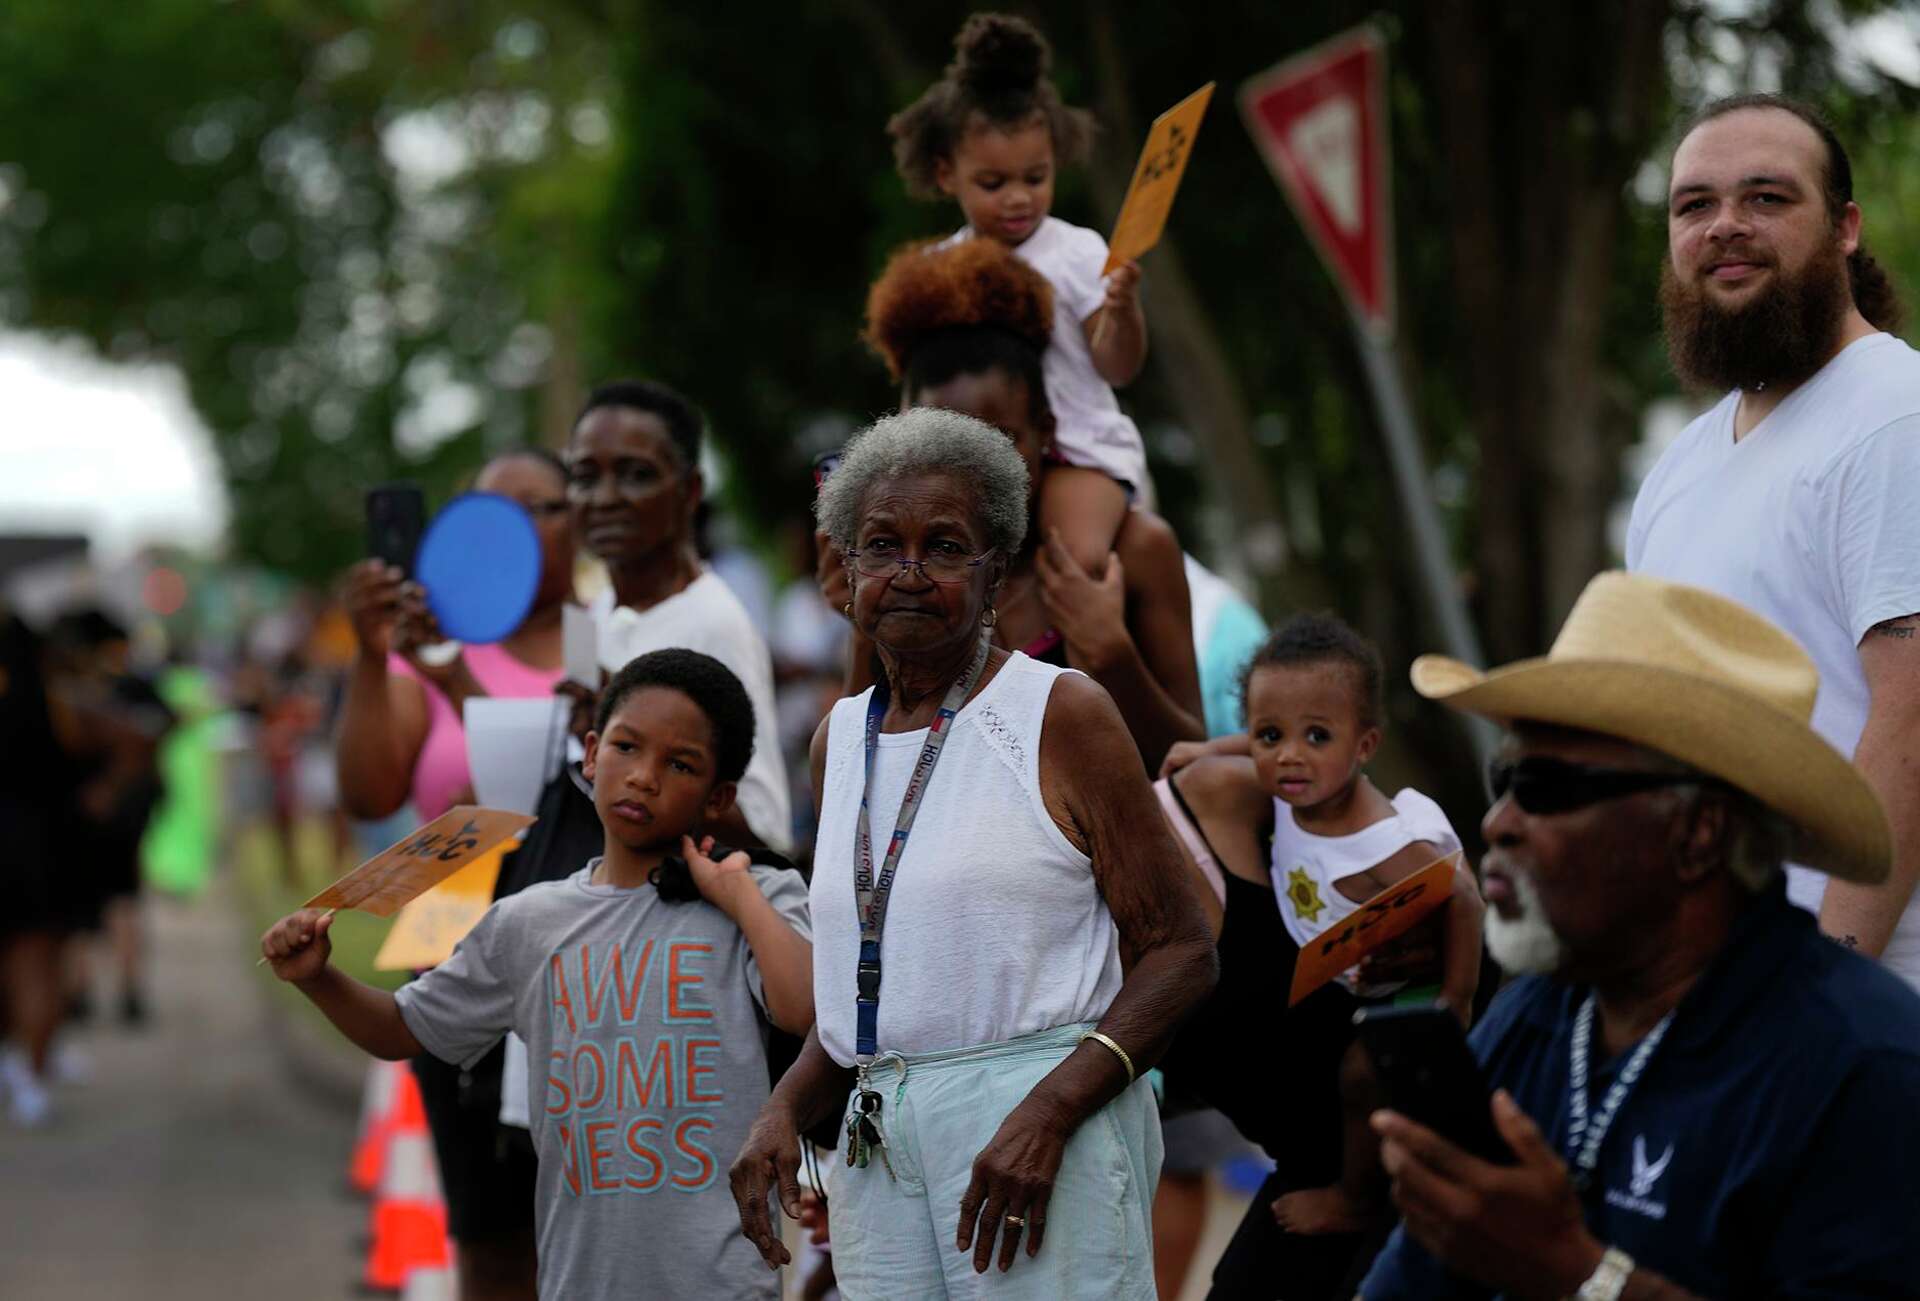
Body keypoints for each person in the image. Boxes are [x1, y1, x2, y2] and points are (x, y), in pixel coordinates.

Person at [728, 408, 1216, 1298]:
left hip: (1041, 1127)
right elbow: (863, 991)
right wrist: (783, 1112)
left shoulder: (1061, 714)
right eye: (882, 545)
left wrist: (1054, 1110)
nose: (909, 572)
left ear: (995, 575)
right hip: (880, 1137)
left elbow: (1184, 948)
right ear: (845, 572)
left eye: (945, 547)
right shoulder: (838, 740)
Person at [1357, 571, 1920, 1298]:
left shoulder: (1863, 1068)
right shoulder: (1541, 1014)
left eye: (1548, 788)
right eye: (1506, 780)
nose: (1500, 822)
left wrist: (1573, 1271)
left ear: (1696, 834)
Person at [263, 649, 814, 1301]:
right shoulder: (529, 920)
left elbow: (804, 1008)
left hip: (722, 1279)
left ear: (719, 797)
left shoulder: (760, 896)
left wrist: (739, 895)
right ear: (589, 752)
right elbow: (404, 1026)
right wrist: (318, 978)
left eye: (680, 763)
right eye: (626, 746)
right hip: (580, 1279)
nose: (642, 777)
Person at [1626, 93, 1920, 990]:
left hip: (1867, 1011)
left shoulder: (1893, 414)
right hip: (1722, 995)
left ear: (1844, 229)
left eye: (1766, 198)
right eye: (1695, 205)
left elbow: (1911, 718)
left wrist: (1828, 995)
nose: (1725, 226)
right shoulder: (1680, 466)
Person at [1152, 616, 1482, 1299]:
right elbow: (1284, 733)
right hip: (1344, 986)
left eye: (1316, 737)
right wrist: (1209, 746)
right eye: (1269, 736)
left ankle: (1351, 1197)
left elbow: (1464, 902)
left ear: (1365, 745)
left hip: (1405, 998)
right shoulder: (1292, 790)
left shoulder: (1384, 846)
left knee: (1362, 1076)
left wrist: (1455, 1000)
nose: (1288, 757)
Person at [332, 447, 576, 1301]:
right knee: (490, 1237)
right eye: (487, 512)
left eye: (539, 508)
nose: (513, 533)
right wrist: (371, 657)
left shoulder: (605, 638)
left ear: (579, 520)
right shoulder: (422, 652)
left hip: (585, 973)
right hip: (454, 963)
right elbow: (367, 789)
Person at [847, 233, 1204, 772]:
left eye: (1000, 437)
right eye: (947, 439)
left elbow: (1195, 761)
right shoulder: (890, 573)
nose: (975, 469)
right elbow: (852, 767)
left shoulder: (1132, 553)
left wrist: (1113, 657)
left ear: (1046, 431)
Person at [889, 13, 1148, 582]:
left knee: (1070, 562)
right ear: (944, 174)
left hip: (1077, 451)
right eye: (993, 184)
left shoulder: (1077, 252)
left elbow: (1119, 367)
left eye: (1036, 178)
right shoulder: (939, 271)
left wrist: (1123, 310)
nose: (1018, 199)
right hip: (973, 462)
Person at [569, 380, 791, 855]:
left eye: (636, 474)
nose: (604, 498)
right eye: (585, 477)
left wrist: (641, 743)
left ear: (689, 490)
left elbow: (765, 829)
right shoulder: (586, 619)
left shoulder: (713, 623)